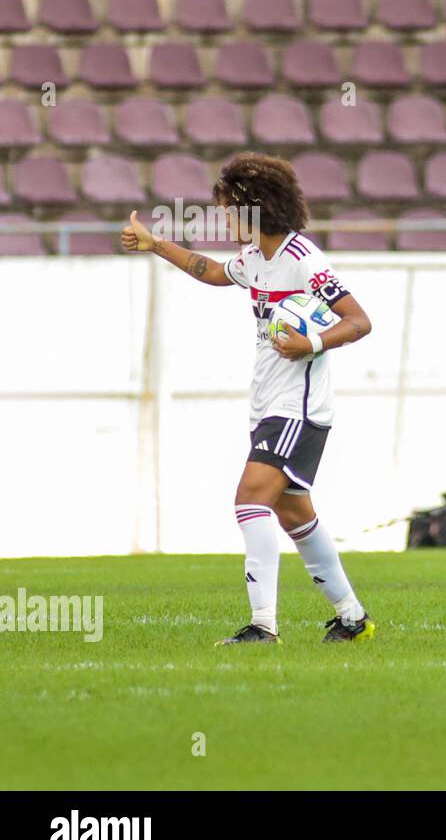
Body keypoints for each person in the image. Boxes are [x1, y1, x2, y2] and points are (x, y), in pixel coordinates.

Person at [120, 152, 376, 644]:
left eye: (229, 210)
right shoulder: (255, 259)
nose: (224, 219)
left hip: (297, 410)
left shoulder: (303, 260)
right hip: (269, 406)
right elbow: (211, 271)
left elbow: (360, 320)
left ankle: (263, 626)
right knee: (295, 514)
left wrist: (311, 342)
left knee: (249, 500)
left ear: (255, 208)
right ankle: (351, 618)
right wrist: (155, 245)